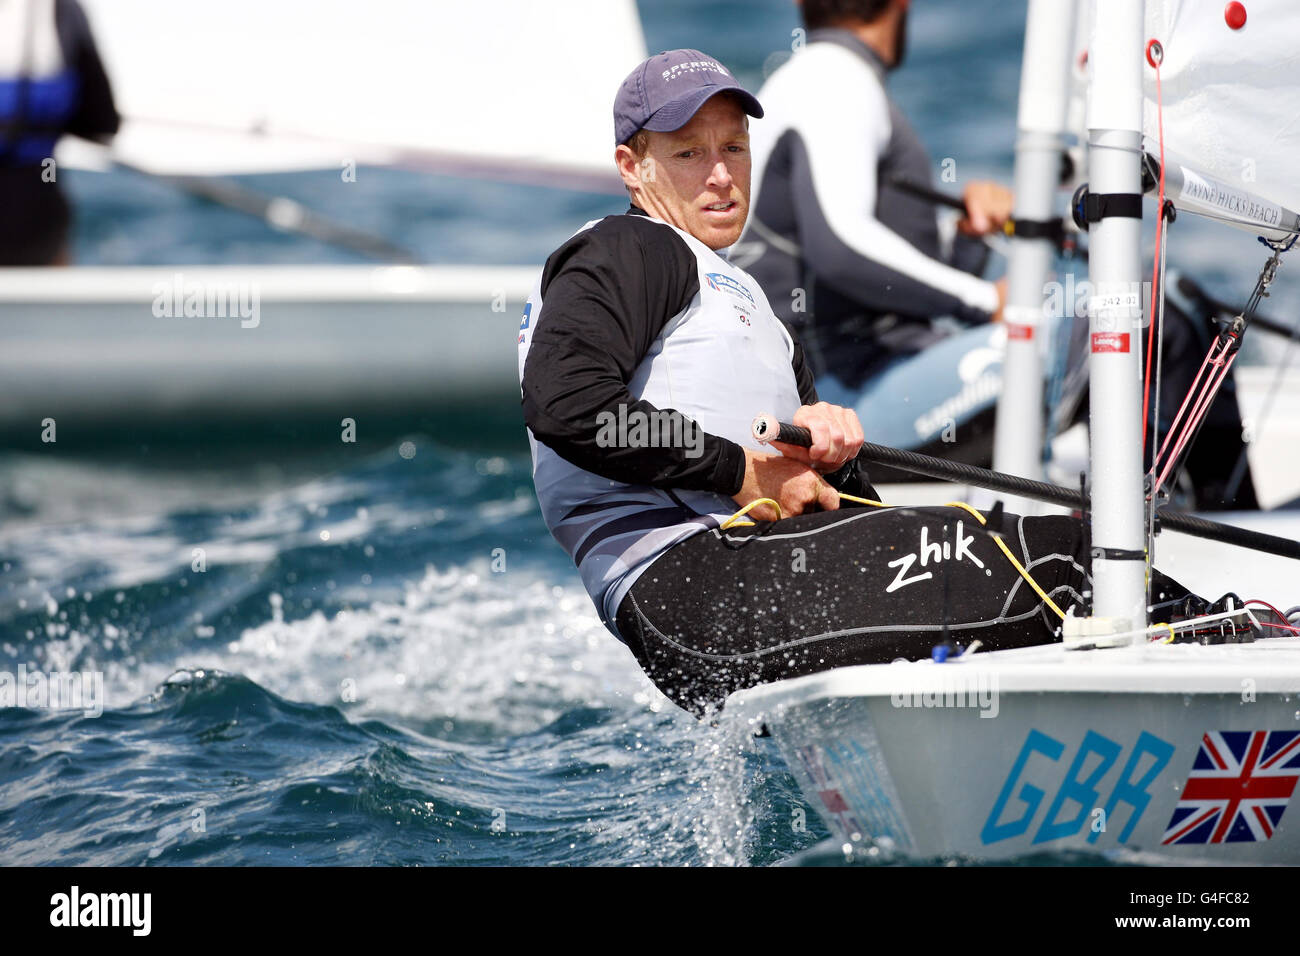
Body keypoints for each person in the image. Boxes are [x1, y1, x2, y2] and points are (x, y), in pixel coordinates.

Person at [517, 48, 1243, 720]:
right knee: (1065, 564)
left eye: (734, 147)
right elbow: (570, 406)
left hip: (749, 580)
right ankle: (1248, 669)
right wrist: (738, 469)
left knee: (1053, 561)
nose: (720, 174)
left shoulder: (747, 305)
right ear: (631, 165)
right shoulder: (626, 250)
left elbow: (822, 501)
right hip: (694, 588)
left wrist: (837, 460)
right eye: (689, 153)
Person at [741, 0, 1260, 508]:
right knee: (1149, 312)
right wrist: (987, 298)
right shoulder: (834, 81)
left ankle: (1183, 509)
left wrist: (965, 237)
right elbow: (842, 247)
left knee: (1153, 305)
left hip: (874, 379)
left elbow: (859, 265)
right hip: (848, 406)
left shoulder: (805, 80)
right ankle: (1216, 525)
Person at [0, 0, 119, 265]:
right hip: (40, 181)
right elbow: (102, 123)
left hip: (34, 184)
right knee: (48, 172)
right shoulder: (61, 9)